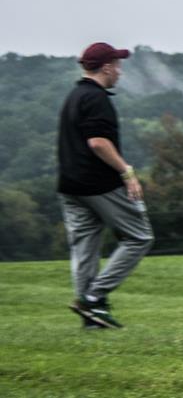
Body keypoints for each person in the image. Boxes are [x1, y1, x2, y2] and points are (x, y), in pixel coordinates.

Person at [57, 42, 155, 328]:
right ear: (107, 67)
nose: (120, 72)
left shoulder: (74, 96)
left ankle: (92, 317)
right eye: (118, 66)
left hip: (70, 186)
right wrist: (127, 172)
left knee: (85, 250)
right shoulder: (97, 98)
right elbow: (98, 143)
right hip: (99, 184)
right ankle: (93, 298)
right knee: (139, 237)